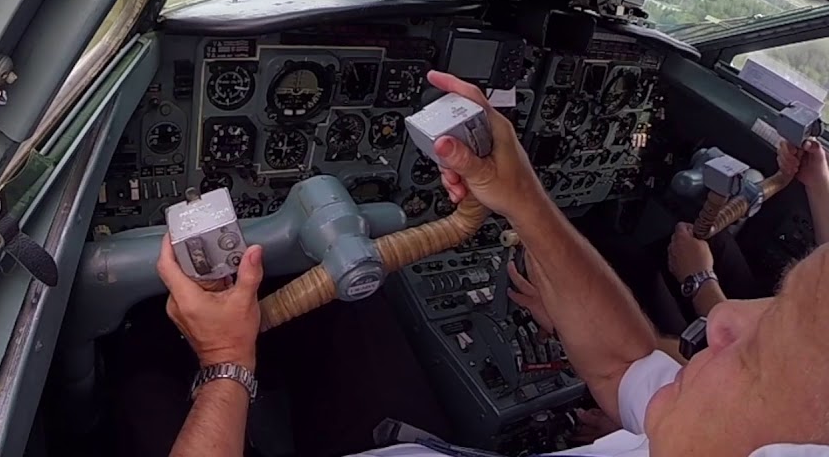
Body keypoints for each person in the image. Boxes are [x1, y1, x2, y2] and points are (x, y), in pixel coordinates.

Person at [156, 71, 829, 457]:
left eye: (756, 352)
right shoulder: (699, 433)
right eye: (767, 302)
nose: (721, 319)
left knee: (144, 388)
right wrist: (522, 200)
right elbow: (624, 365)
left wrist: (224, 363)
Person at [666, 137, 829, 320]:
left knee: (632, 262)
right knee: (706, 239)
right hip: (781, 313)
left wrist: (698, 280)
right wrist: (817, 181)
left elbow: (761, 346)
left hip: (762, 339)